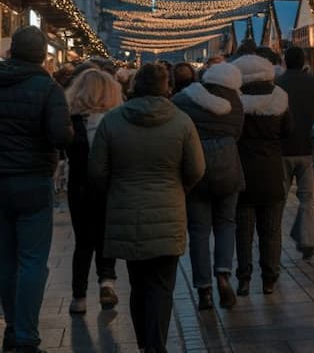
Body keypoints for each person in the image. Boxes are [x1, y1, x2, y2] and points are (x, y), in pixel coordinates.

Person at [89, 62, 204, 353]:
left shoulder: (112, 121)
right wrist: (178, 189)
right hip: (168, 212)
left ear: (134, 86)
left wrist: (116, 191)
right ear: (167, 88)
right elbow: (196, 168)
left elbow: (97, 171)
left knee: (138, 283)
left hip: (126, 211)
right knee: (162, 286)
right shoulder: (181, 121)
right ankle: (155, 345)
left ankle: (145, 343)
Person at [0, 26, 72, 353]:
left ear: (11, 50)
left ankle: (12, 327)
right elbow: (59, 136)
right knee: (32, 260)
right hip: (32, 181)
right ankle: (27, 336)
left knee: (5, 258)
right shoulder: (48, 88)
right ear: (43, 54)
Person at [173, 62, 245, 310]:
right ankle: (223, 273)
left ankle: (203, 289)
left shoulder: (184, 99)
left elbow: (178, 130)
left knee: (199, 232)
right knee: (226, 223)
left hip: (197, 167)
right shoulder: (236, 103)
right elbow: (238, 133)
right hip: (228, 166)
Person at [64, 68, 123, 315]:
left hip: (78, 187)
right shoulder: (115, 121)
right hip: (108, 186)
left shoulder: (71, 121)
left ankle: (78, 297)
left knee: (83, 242)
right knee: (106, 237)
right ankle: (107, 281)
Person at [232, 54, 291, 296]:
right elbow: (290, 131)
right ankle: (269, 277)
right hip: (272, 171)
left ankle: (244, 278)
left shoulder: (235, 102)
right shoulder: (280, 99)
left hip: (243, 173)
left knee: (243, 231)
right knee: (271, 230)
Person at [277, 45, 314, 260]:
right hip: (308, 149)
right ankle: (306, 238)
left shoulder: (277, 85)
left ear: (286, 62)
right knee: (307, 197)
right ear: (304, 61)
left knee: (278, 200)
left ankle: (274, 245)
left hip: (282, 150)